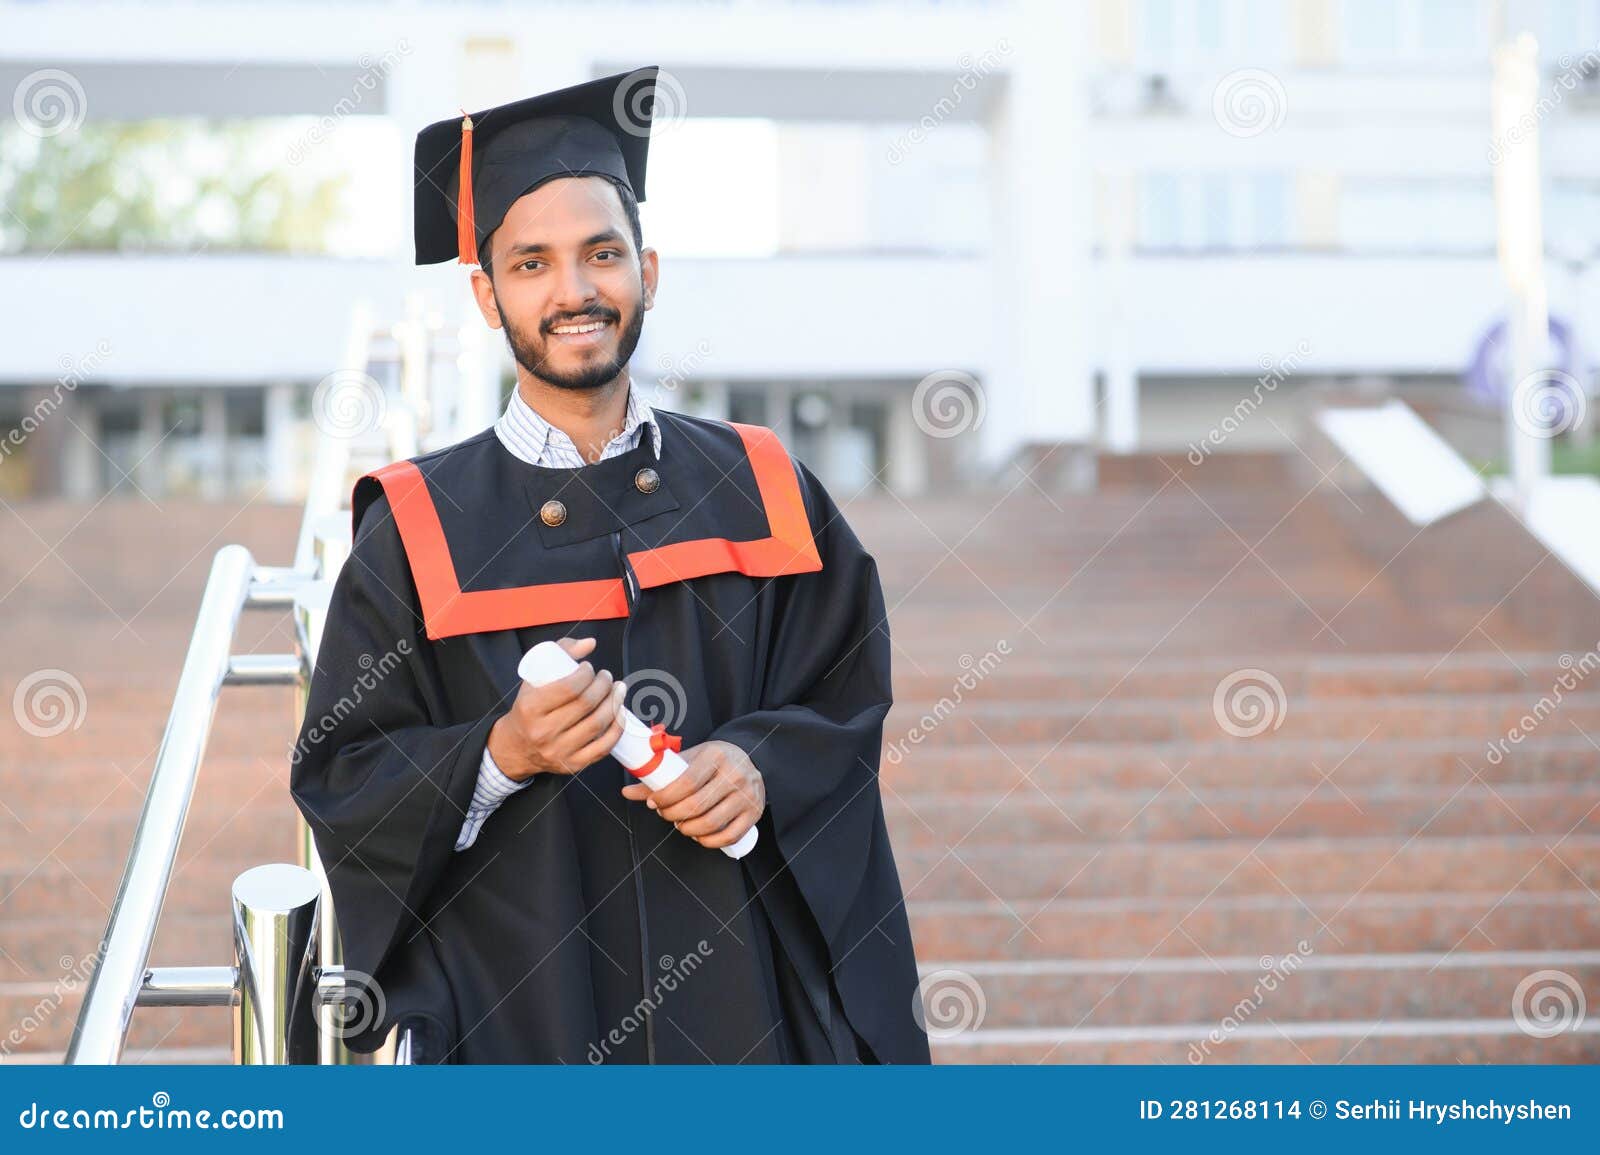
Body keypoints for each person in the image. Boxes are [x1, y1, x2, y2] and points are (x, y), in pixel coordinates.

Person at [289, 67, 930, 1064]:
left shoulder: (763, 485)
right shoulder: (416, 525)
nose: (575, 290)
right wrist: (500, 754)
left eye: (601, 254)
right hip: (521, 1015)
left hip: (749, 1003)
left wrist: (759, 766)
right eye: (532, 263)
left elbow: (844, 696)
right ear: (486, 293)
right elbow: (343, 771)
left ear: (649, 270)